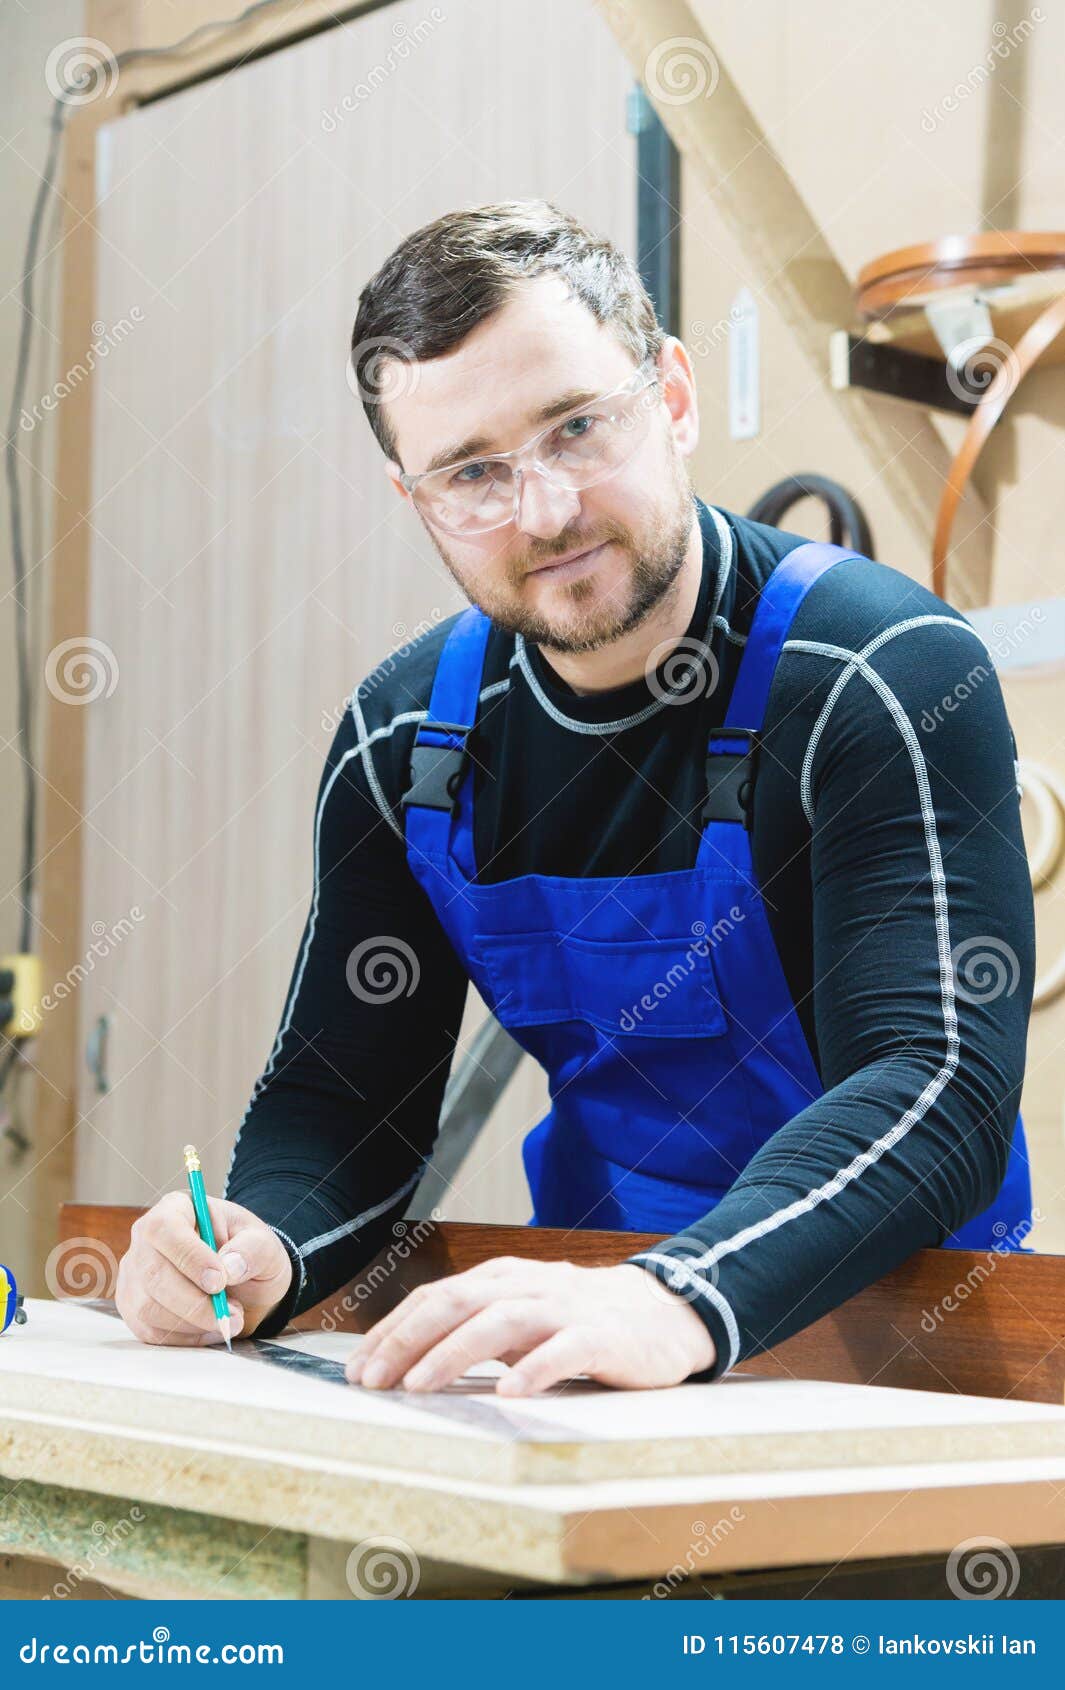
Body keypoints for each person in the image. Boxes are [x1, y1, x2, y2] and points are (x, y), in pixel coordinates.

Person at [115, 200, 1035, 1396]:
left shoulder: (882, 670)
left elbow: (939, 1084)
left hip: (907, 1350)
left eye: (576, 429)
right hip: (590, 1351)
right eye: (472, 473)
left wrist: (679, 1294)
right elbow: (341, 1096)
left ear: (677, 397)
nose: (542, 511)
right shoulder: (408, 740)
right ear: (416, 499)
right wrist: (255, 1249)